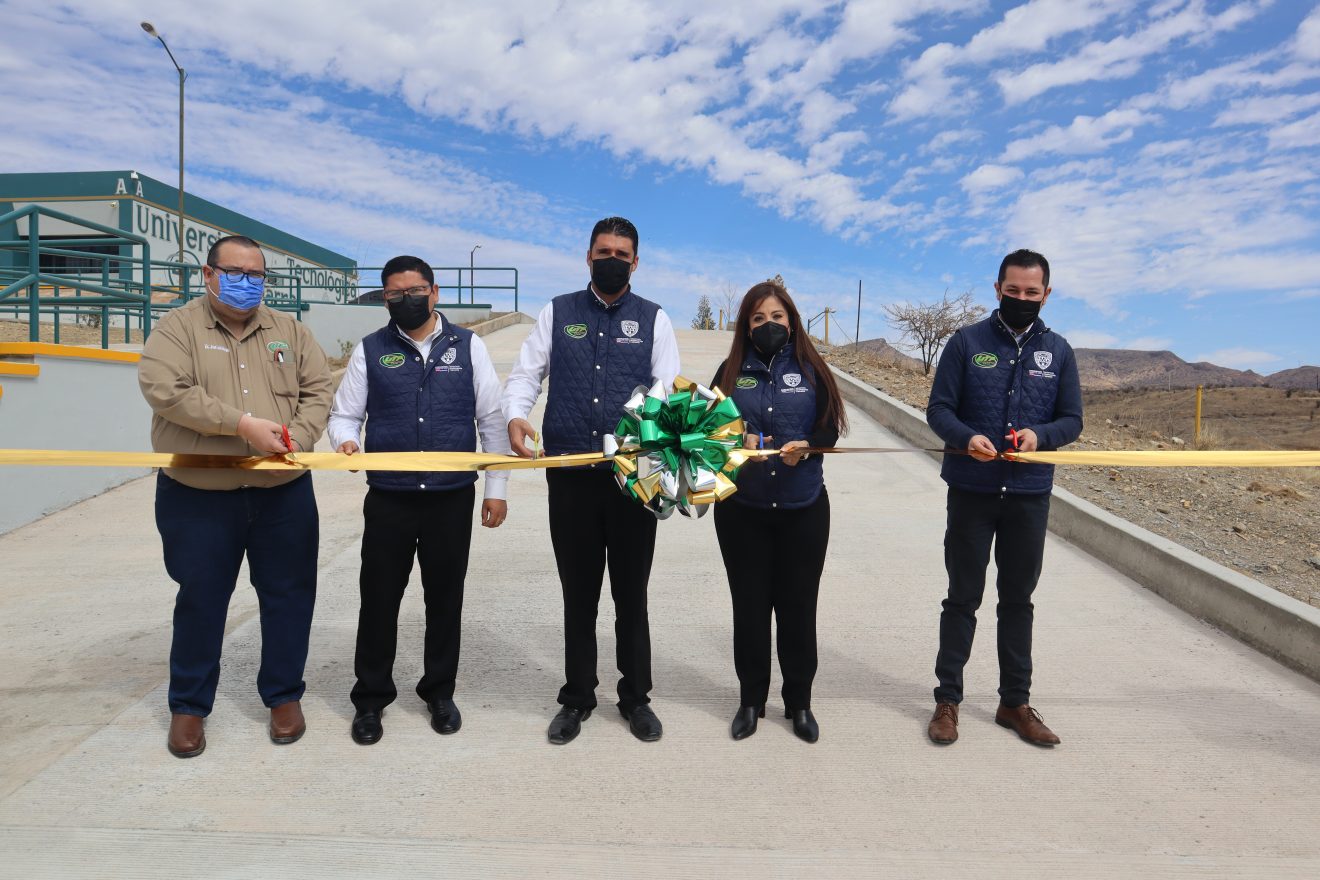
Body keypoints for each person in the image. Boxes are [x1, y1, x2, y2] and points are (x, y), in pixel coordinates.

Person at [138, 234, 333, 758]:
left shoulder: (290, 331)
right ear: (208, 275)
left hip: (282, 493)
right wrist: (242, 425)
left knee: (289, 597)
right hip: (199, 495)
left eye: (257, 275)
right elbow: (166, 390)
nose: (248, 284)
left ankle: (284, 696)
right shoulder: (176, 329)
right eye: (236, 273)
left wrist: (298, 439)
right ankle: (189, 707)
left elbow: (319, 391)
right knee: (201, 600)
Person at [503, 216, 680, 745]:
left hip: (632, 479)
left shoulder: (655, 319)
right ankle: (577, 696)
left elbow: (666, 390)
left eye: (622, 253)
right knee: (578, 593)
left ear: (635, 262)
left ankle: (635, 698)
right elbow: (527, 374)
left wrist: (637, 438)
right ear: (587, 256)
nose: (612, 259)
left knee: (632, 593)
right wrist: (517, 413)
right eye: (604, 250)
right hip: (571, 476)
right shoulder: (558, 312)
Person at [328, 255, 510, 745]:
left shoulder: (469, 347)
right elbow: (344, 415)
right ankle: (370, 700)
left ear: (434, 292)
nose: (405, 300)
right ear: (384, 298)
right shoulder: (370, 350)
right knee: (379, 601)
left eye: (414, 291)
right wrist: (344, 442)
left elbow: (491, 421)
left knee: (445, 601)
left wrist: (496, 490)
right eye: (394, 294)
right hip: (389, 499)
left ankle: (439, 692)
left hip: (451, 500)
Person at [924, 248, 1082, 747]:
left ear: (1046, 295)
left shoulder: (1058, 352)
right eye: (1012, 291)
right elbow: (939, 409)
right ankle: (947, 700)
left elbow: (1072, 420)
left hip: (1029, 496)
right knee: (963, 598)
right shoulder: (967, 342)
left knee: (1018, 600)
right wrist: (967, 437)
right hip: (972, 491)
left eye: (1031, 293)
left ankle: (1014, 702)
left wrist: (1041, 436)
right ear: (997, 290)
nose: (1021, 299)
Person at [711, 281, 847, 743]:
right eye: (757, 319)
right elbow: (705, 433)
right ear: (745, 327)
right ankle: (751, 700)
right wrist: (736, 437)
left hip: (803, 508)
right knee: (749, 609)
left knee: (797, 608)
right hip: (742, 511)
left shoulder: (812, 370)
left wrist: (808, 448)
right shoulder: (729, 372)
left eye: (776, 318)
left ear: (791, 321)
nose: (768, 326)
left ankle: (799, 703)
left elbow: (830, 429)